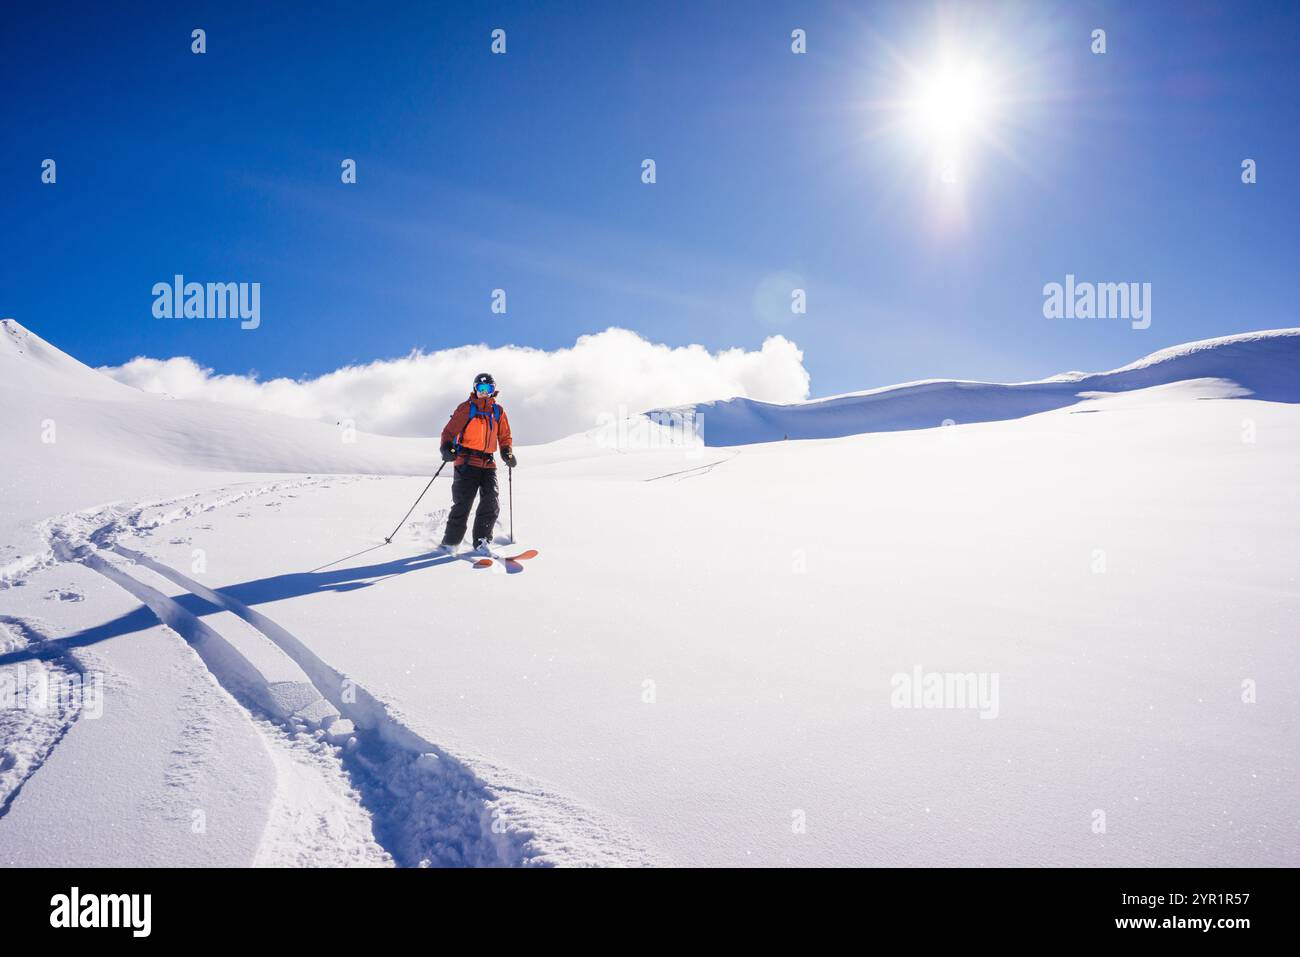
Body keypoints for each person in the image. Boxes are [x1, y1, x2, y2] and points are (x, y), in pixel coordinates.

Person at [439, 372, 517, 552]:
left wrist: (507, 452)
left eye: (487, 388)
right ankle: (450, 543)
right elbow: (449, 432)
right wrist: (446, 447)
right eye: (480, 388)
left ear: (492, 390)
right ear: (475, 389)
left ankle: (482, 542)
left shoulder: (498, 411)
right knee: (463, 503)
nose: (483, 392)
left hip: (488, 462)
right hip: (466, 460)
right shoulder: (467, 408)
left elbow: (505, 436)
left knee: (491, 501)